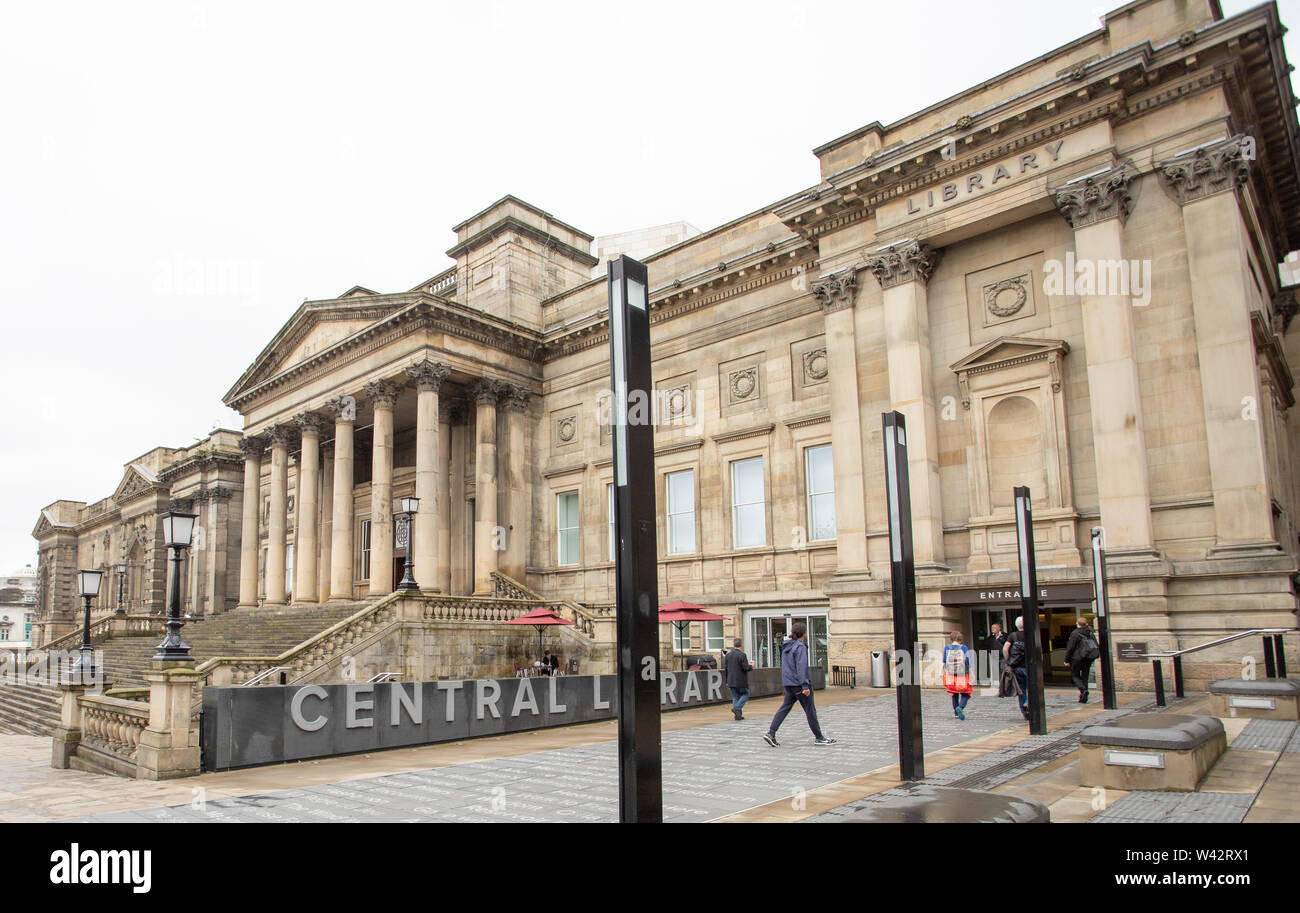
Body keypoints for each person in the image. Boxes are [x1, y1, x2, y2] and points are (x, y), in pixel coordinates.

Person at [762, 621, 836, 747]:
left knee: (784, 708)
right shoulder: (800, 647)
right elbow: (801, 667)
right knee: (810, 710)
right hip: (799, 684)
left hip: (789, 684)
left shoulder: (787, 646)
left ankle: (771, 733)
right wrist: (805, 686)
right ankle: (819, 737)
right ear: (804, 633)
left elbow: (786, 667)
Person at [1064, 616, 1100, 703]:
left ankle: (1083, 690)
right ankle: (1083, 697)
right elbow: (1096, 644)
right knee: (1085, 676)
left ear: (1078, 624)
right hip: (1088, 657)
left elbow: (1071, 647)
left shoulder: (1075, 633)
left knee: (1075, 675)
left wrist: (1066, 660)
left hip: (1077, 657)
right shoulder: (1090, 632)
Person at [1002, 616, 1029, 719]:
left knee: (1021, 689)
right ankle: (1028, 703)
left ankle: (1024, 711)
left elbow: (1005, 648)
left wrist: (1009, 660)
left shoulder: (1013, 636)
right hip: (1028, 666)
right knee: (1031, 687)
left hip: (1017, 667)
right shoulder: (1030, 634)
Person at [943, 631, 973, 720]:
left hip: (951, 674)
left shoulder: (947, 647)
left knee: (954, 693)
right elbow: (968, 661)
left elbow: (944, 661)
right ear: (960, 639)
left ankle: (956, 714)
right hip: (962, 674)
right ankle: (960, 707)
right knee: (966, 693)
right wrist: (971, 672)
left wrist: (944, 672)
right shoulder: (964, 647)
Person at [723, 637, 753, 721]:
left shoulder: (728, 655)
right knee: (745, 695)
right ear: (741, 645)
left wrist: (726, 681)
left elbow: (726, 668)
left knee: (735, 697)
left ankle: (738, 715)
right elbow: (745, 667)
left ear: (733, 645)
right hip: (740, 680)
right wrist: (751, 666)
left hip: (731, 680)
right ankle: (736, 708)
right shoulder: (742, 655)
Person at [985, 622, 1010, 697]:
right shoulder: (990, 637)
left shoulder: (1005, 636)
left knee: (1003, 672)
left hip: (1003, 657)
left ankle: (1005, 689)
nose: (993, 630)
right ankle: (1000, 689)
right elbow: (988, 646)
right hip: (995, 657)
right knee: (997, 673)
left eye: (994, 628)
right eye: (992, 628)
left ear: (999, 628)